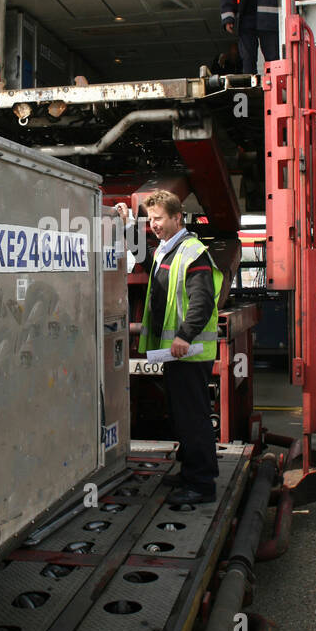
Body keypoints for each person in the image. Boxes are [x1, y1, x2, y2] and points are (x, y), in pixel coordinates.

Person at [133, 191, 223, 504]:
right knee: (182, 414)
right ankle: (190, 473)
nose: (153, 225)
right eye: (150, 219)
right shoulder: (166, 251)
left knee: (193, 416)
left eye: (158, 218)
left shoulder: (192, 251)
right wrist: (128, 224)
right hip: (175, 352)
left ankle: (201, 485)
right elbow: (144, 258)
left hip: (189, 351)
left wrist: (184, 335)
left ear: (176, 218)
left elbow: (203, 300)